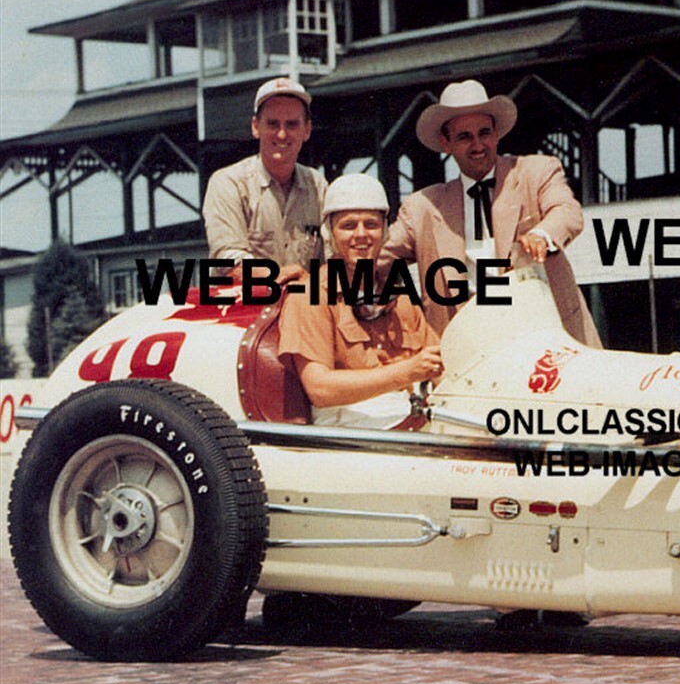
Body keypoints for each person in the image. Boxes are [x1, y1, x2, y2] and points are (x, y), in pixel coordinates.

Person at [381, 79, 601, 347]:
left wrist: (541, 235)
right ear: (446, 143)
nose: (477, 145)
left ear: (497, 134)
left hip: (547, 336)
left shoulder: (537, 171)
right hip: (471, 348)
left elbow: (566, 211)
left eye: (484, 133)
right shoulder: (422, 207)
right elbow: (375, 256)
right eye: (464, 137)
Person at [279, 174, 442, 429]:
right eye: (348, 226)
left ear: (385, 232)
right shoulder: (310, 295)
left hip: (411, 415)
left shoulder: (399, 297)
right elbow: (319, 389)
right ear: (329, 233)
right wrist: (405, 373)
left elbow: (440, 366)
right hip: (347, 427)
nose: (361, 234)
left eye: (371, 224)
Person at [203, 77, 327, 286]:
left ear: (307, 130)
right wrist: (287, 275)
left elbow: (333, 256)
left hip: (301, 300)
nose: (282, 134)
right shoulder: (228, 183)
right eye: (272, 124)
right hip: (241, 302)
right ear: (255, 127)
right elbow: (228, 260)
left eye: (291, 124)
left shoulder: (319, 186)